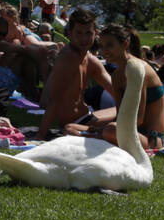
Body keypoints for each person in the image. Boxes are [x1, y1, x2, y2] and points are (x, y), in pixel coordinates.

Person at [64, 25, 164, 150]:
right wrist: (99, 128)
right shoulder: (117, 75)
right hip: (126, 132)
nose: (103, 51)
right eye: (101, 46)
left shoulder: (137, 69)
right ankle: (97, 139)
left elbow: (138, 119)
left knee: (110, 129)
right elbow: (120, 113)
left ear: (125, 44)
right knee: (71, 127)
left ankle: (95, 139)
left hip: (150, 139)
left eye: (109, 45)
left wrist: (103, 130)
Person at [36, 8, 114, 139]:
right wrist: (40, 135)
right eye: (79, 33)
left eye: (88, 33)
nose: (84, 38)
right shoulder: (68, 57)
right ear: (70, 34)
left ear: (96, 34)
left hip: (85, 117)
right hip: (75, 124)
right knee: (118, 120)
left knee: (125, 108)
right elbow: (55, 99)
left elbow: (116, 92)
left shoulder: (91, 60)